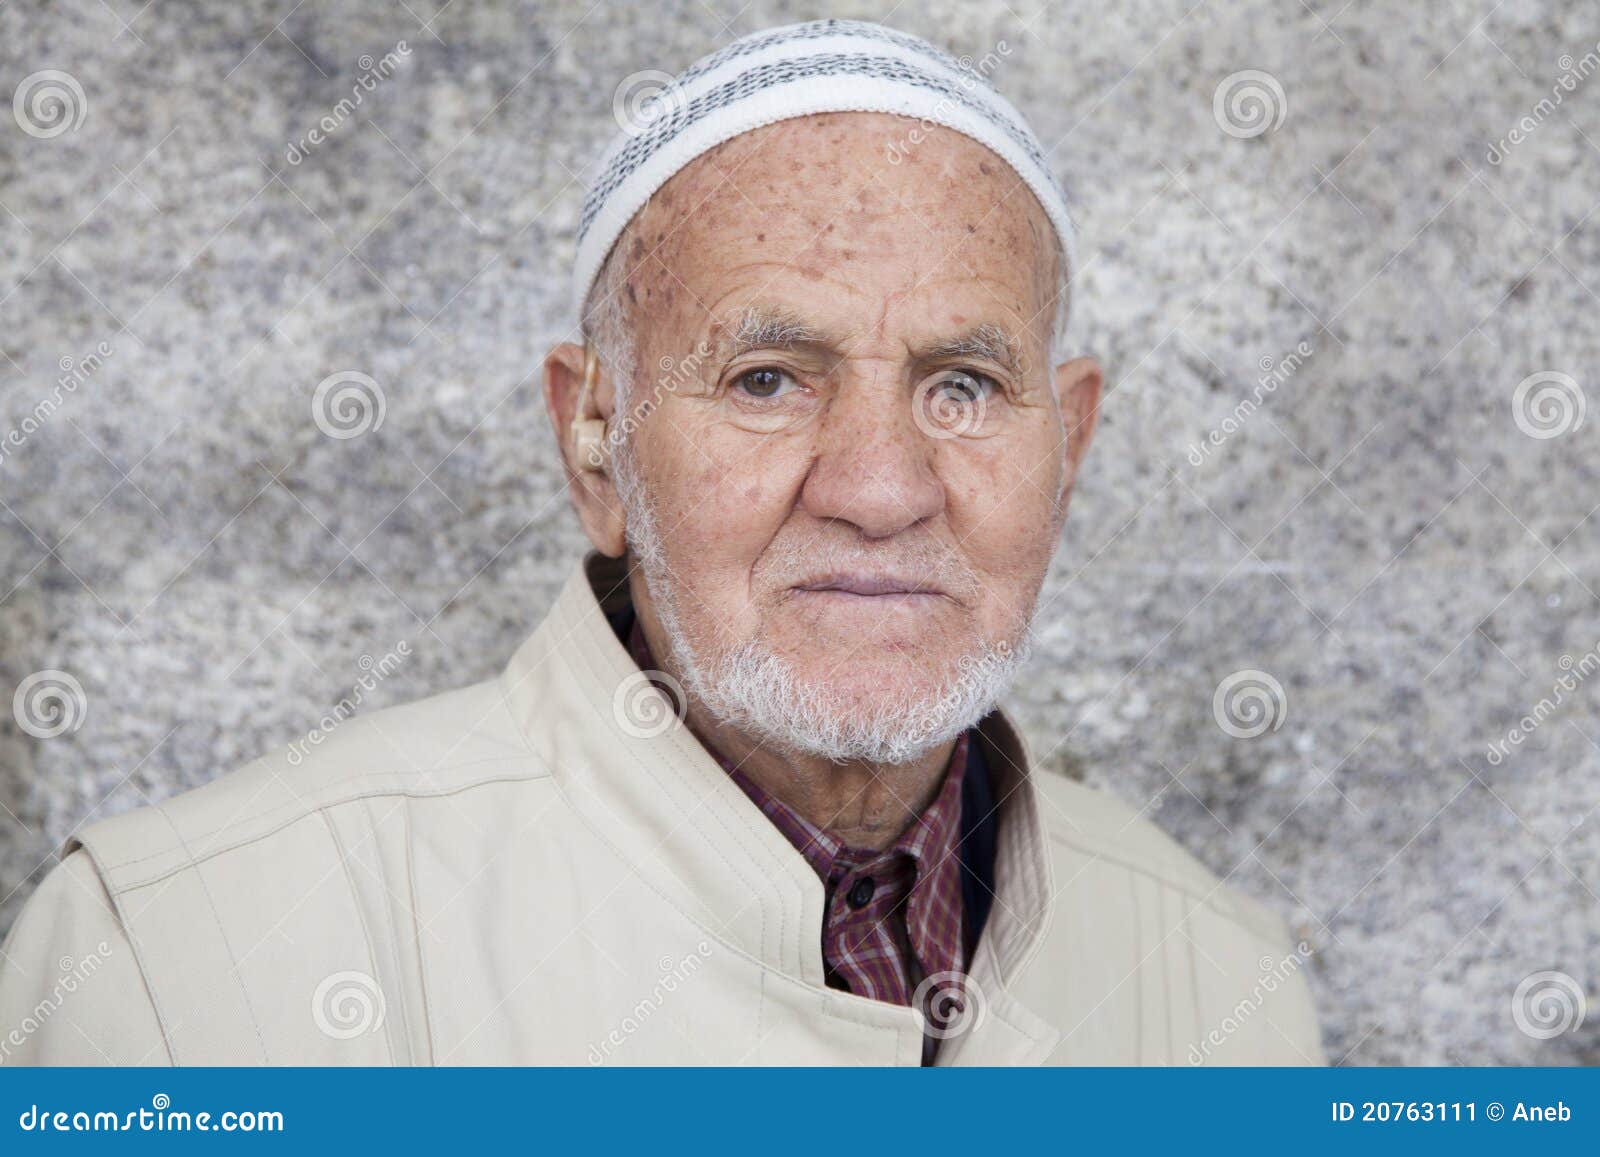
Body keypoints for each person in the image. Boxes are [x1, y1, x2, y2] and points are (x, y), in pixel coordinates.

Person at [0, 19, 1322, 1066]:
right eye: (767, 377)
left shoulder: (1229, 991)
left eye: (962, 386)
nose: (879, 487)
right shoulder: (184, 963)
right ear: (597, 435)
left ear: (1069, 444)